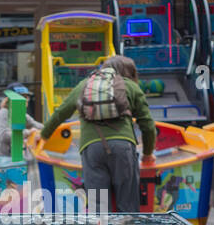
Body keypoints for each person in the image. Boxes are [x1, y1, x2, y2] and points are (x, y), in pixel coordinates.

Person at [39, 55, 157, 212]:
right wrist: (148, 153)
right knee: (128, 204)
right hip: (123, 147)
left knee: (99, 207)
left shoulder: (85, 85)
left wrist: (43, 135)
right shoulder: (130, 86)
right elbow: (148, 125)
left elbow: (61, 113)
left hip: (91, 148)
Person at [0, 85, 40, 159]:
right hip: (0, 158)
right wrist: (28, 132)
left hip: (14, 157)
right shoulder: (4, 113)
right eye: (22, 97)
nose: (26, 100)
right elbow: (4, 136)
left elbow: (37, 125)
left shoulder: (21, 114)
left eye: (26, 97)